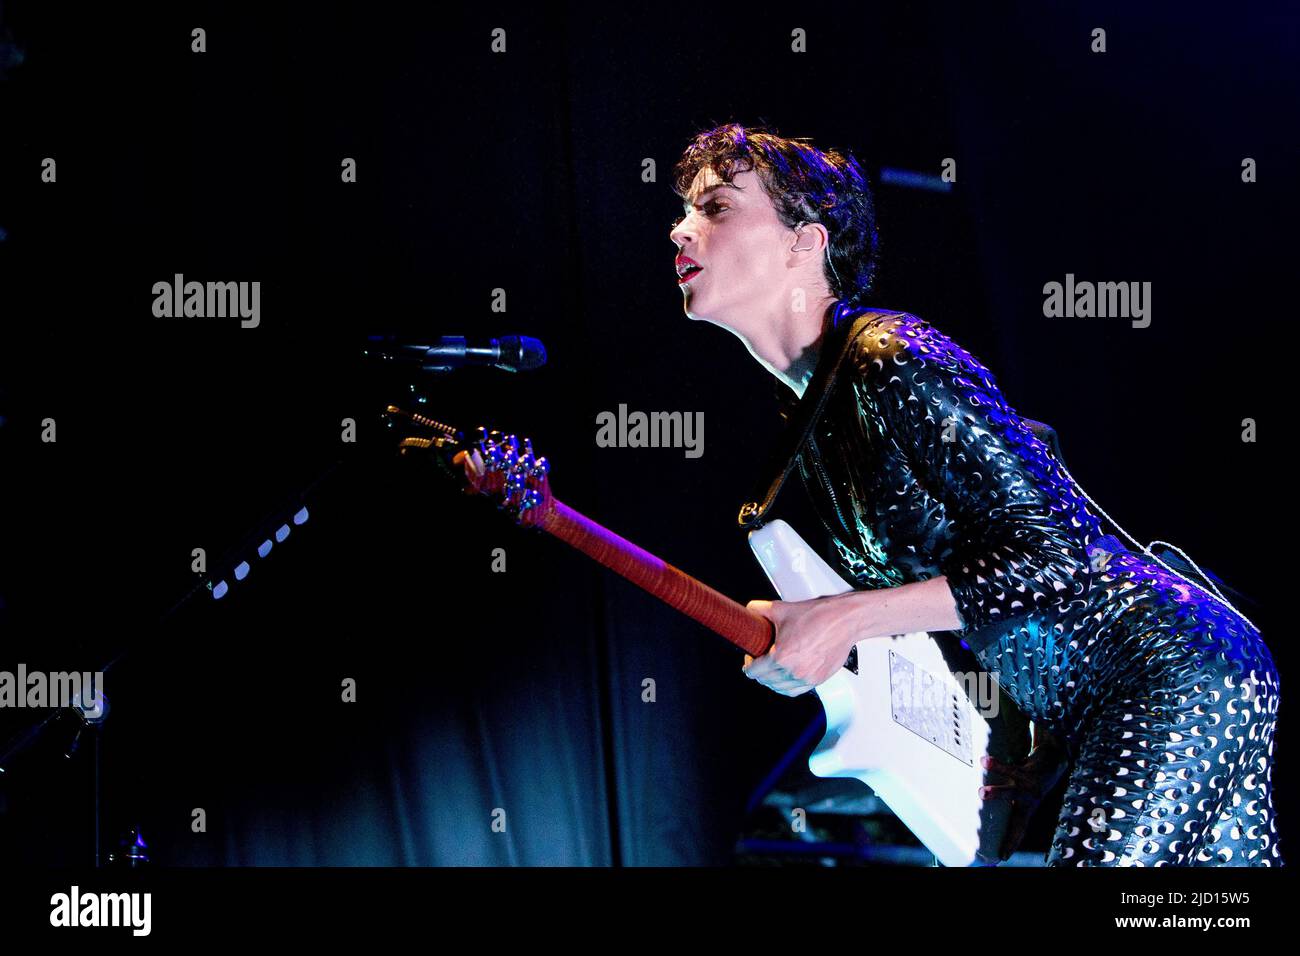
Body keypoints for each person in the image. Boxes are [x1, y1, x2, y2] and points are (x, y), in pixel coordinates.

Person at [668, 122, 1281, 866]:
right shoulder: (813, 414)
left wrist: (842, 618)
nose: (681, 227)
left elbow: (1057, 557)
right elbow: (979, 612)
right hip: (1157, 686)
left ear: (808, 241)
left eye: (717, 207)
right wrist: (1006, 770)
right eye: (687, 211)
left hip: (1166, 667)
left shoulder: (888, 356)